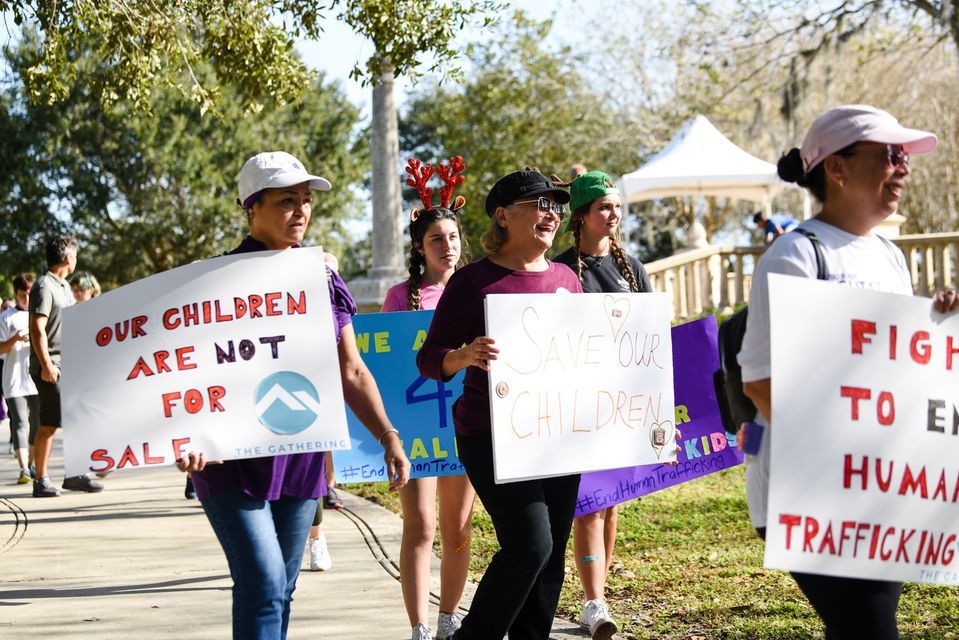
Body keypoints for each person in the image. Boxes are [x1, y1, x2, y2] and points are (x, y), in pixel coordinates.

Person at [175, 150, 411, 640]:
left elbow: (351, 368)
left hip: (300, 457)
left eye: (306, 200)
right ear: (251, 207)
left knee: (282, 588)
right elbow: (183, 377)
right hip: (227, 464)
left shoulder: (321, 280)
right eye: (287, 201)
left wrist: (388, 434)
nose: (301, 210)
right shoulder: (209, 283)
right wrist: (182, 436)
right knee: (261, 582)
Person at [738, 105, 939, 640]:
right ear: (837, 168)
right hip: (811, 493)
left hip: (880, 486)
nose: (903, 167)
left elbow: (898, 368)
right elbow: (759, 382)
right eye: (889, 155)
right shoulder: (795, 256)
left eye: (904, 156)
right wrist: (842, 448)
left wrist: (940, 325)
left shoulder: (891, 257)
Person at [418, 169, 582, 640]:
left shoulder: (567, 279)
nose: (551, 213)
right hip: (491, 435)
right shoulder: (473, 282)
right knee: (530, 546)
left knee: (550, 559)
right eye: (539, 204)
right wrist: (465, 355)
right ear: (504, 216)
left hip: (559, 435)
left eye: (556, 205)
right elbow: (429, 359)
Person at [553, 170, 652, 640]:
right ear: (582, 216)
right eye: (604, 208)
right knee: (588, 505)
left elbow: (651, 335)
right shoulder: (560, 270)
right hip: (579, 404)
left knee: (612, 505)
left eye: (617, 207)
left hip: (625, 404)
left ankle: (599, 595)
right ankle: (593, 603)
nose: (613, 215)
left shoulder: (634, 267)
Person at [383, 156, 475, 640]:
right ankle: (419, 626)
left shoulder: (478, 288)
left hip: (464, 425)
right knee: (419, 526)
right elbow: (389, 365)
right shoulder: (402, 297)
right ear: (421, 247)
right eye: (437, 239)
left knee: (458, 531)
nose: (448, 246)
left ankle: (448, 618)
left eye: (454, 237)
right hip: (418, 426)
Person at [29, 235, 104, 497]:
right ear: (68, 257)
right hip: (51, 365)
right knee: (49, 423)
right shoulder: (44, 286)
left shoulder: (62, 286)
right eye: (75, 255)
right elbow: (37, 328)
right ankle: (40, 480)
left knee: (76, 418)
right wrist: (46, 364)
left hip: (69, 363)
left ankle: (75, 474)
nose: (76, 259)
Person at [0, 273, 38, 484]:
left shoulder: (39, 314)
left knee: (37, 423)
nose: (26, 298)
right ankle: (23, 468)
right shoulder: (6, 318)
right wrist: (15, 339)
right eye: (22, 295)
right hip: (14, 379)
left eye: (29, 294)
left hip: (35, 378)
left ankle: (32, 464)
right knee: (20, 423)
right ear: (16, 294)